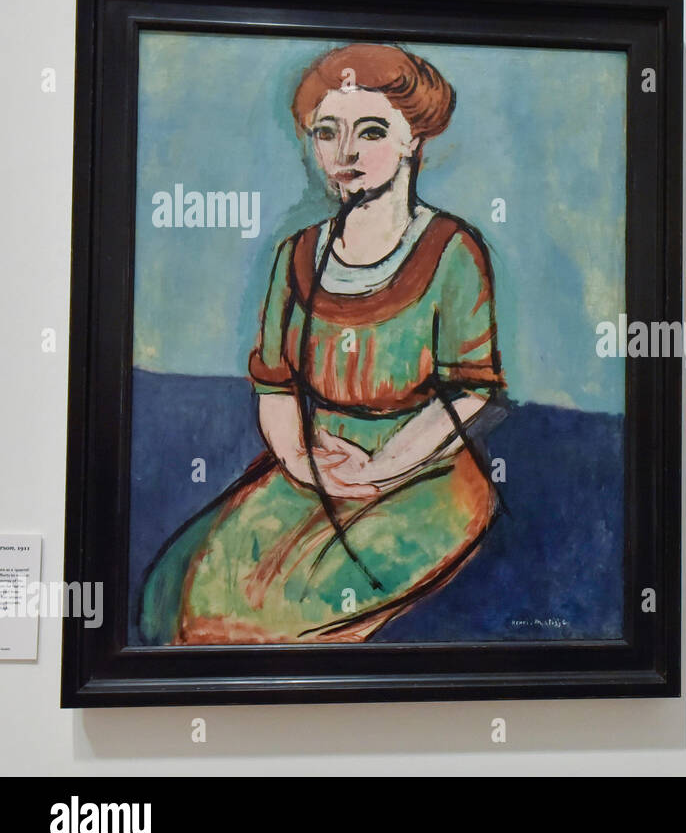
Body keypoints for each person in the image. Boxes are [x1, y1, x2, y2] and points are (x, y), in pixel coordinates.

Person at [138, 43, 506, 644]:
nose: (345, 152)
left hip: (423, 470)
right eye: (326, 132)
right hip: (313, 460)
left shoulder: (452, 252)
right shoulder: (296, 256)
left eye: (370, 130)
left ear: (413, 138)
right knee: (195, 588)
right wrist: (304, 460)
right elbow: (275, 385)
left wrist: (381, 468)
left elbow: (467, 393)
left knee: (290, 610)